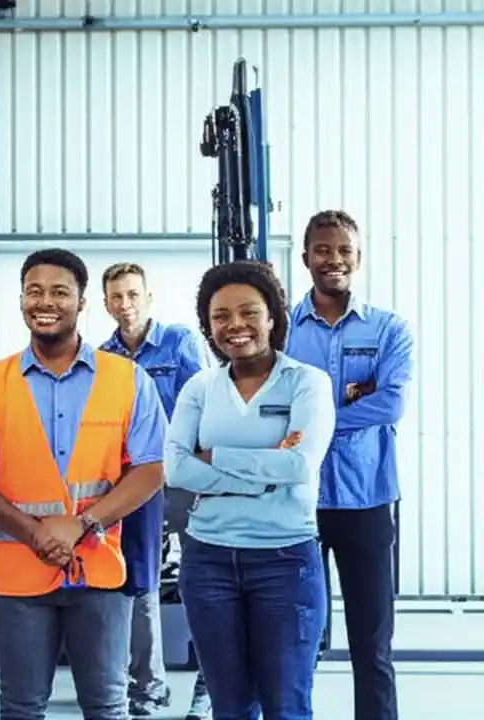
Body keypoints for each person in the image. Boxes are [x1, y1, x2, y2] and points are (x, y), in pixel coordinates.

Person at [0, 248, 169, 720]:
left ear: (81, 302)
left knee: (106, 706)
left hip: (99, 568)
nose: (45, 301)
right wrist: (35, 532)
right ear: (20, 302)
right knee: (21, 707)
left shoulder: (128, 380)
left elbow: (151, 469)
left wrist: (82, 524)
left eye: (59, 291)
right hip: (19, 571)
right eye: (34, 291)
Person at [164, 260, 334, 719]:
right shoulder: (200, 387)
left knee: (286, 706)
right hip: (208, 560)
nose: (235, 325)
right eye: (220, 316)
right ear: (208, 326)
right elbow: (176, 468)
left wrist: (214, 456)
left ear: (273, 317)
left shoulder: (307, 384)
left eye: (248, 312)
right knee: (230, 708)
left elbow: (299, 465)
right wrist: (265, 473)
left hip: (285, 563)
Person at [285, 210, 411, 720]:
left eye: (342, 251)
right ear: (306, 258)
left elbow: (392, 403)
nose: (332, 259)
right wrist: (353, 408)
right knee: (293, 638)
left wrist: (313, 422)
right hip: (296, 502)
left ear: (357, 258)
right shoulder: (282, 332)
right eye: (322, 250)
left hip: (367, 499)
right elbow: (272, 408)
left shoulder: (389, 329)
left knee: (372, 643)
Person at [98, 262, 211, 720]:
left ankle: (210, 687)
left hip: (183, 478)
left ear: (149, 297)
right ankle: (148, 687)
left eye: (132, 295)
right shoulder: (104, 357)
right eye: (116, 298)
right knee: (137, 580)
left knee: (205, 580)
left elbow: (201, 404)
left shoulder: (179, 342)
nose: (125, 306)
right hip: (136, 484)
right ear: (105, 304)